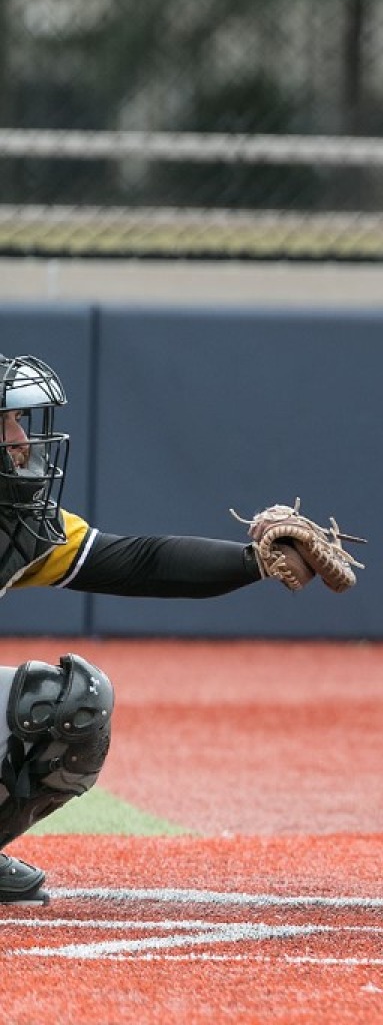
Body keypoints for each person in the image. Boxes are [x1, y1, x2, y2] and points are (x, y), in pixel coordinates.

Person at [0, 353, 359, 905]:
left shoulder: (15, 529)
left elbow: (136, 561)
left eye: (19, 421)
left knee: (72, 704)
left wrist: (256, 560)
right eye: (6, 421)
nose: (21, 439)